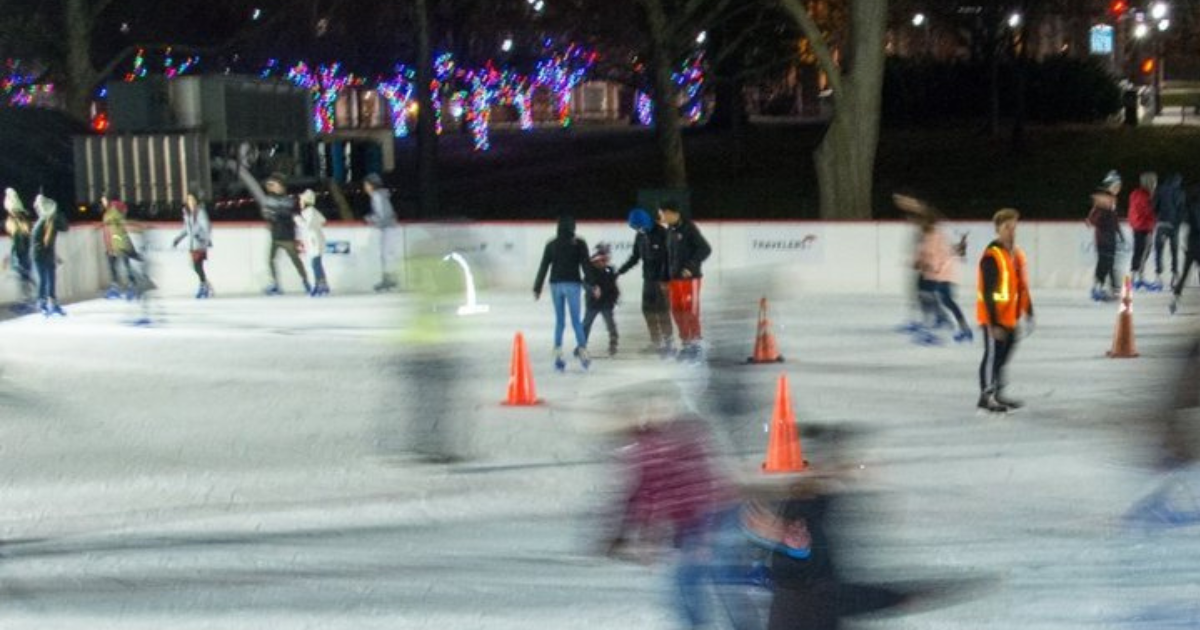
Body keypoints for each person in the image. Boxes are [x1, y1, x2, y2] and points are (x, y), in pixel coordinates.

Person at [602, 382, 731, 629]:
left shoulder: (679, 441)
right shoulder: (643, 446)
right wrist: (624, 533)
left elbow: (702, 488)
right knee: (685, 587)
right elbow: (639, 493)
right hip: (688, 524)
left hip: (707, 518)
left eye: (663, 409)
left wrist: (704, 537)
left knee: (694, 585)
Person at [976, 208, 1034, 413]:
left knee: (1002, 357)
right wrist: (993, 323)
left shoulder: (1016, 254)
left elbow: (1021, 286)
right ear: (998, 229)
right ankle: (986, 397)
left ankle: (998, 393)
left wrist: (1029, 311)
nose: (1011, 231)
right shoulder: (992, 256)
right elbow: (989, 291)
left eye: (1014, 227)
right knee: (992, 356)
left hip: (1010, 318)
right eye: (1006, 227)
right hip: (994, 318)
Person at [235, 167, 310, 295]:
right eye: (270, 185)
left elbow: (288, 214)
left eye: (274, 185)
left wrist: (275, 214)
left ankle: (307, 281)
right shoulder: (270, 200)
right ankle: (275, 284)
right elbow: (267, 214)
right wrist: (271, 215)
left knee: (295, 260)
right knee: (270, 260)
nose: (271, 188)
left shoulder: (288, 200)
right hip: (275, 235)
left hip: (287, 236)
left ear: (281, 186)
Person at [532, 214, 591, 371]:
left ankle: (558, 352)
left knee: (560, 321)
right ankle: (583, 351)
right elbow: (586, 266)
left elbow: (543, 266)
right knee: (576, 321)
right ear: (573, 227)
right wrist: (593, 285)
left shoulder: (551, 244)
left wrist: (537, 288)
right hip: (572, 284)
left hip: (556, 285)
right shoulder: (579, 243)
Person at [912, 202, 972, 344]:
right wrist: (918, 261)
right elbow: (924, 253)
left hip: (943, 273)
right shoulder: (928, 235)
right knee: (931, 298)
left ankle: (959, 329)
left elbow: (942, 254)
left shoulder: (937, 235)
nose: (919, 224)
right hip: (935, 272)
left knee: (943, 300)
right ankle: (938, 328)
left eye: (922, 221)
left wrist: (929, 265)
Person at [618, 207, 675, 356]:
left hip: (662, 280)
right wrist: (620, 271)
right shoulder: (640, 236)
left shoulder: (662, 233)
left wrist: (665, 279)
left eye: (638, 226)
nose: (637, 229)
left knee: (662, 311)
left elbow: (668, 259)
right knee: (647, 310)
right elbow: (635, 257)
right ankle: (656, 342)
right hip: (648, 280)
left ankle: (669, 343)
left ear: (644, 222)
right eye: (635, 228)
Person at [661, 201, 711, 361]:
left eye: (664, 213)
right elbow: (668, 257)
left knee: (690, 312)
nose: (662, 217)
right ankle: (686, 343)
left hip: (690, 279)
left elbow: (705, 249)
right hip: (674, 280)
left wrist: (690, 267)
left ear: (673, 213)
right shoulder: (669, 230)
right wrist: (665, 277)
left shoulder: (689, 228)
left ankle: (696, 344)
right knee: (677, 312)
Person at [1086, 170, 1124, 302]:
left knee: (1110, 263)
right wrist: (1100, 218)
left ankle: (1111, 289)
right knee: (1104, 263)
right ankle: (1097, 288)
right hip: (1103, 238)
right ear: (1110, 185)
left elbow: (1113, 219)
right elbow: (1092, 219)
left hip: (1110, 237)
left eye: (1119, 186)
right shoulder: (1104, 199)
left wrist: (1119, 232)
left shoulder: (1112, 200)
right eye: (1116, 186)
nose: (1118, 188)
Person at [101, 199, 146, 300]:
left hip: (119, 243)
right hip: (111, 244)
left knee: (126, 265)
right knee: (114, 266)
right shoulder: (108, 213)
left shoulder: (113, 211)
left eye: (104, 200)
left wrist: (113, 221)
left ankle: (132, 285)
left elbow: (120, 221)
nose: (102, 203)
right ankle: (116, 287)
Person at [172, 191, 213, 299]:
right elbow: (186, 228)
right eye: (188, 199)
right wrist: (178, 239)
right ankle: (205, 284)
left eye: (192, 199)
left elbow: (205, 226)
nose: (190, 201)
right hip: (192, 243)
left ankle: (204, 285)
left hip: (200, 242)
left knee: (197, 265)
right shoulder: (187, 213)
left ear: (195, 200)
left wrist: (203, 237)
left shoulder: (200, 212)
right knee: (196, 266)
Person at [31, 194, 66, 317]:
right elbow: (45, 242)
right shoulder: (42, 223)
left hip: (47, 254)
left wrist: (54, 256)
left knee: (51, 279)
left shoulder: (51, 221)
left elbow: (65, 227)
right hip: (39, 255)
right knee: (43, 279)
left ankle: (52, 302)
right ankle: (42, 303)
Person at [583, 242, 620, 356]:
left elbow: (613, 286)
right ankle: (581, 345)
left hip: (606, 302)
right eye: (601, 260)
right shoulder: (590, 271)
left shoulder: (610, 270)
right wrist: (593, 290)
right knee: (586, 324)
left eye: (605, 260)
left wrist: (615, 297)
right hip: (593, 303)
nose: (604, 262)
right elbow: (585, 284)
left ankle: (613, 343)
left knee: (610, 324)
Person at [363, 173, 398, 292]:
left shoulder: (377, 196)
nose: (365, 188)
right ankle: (388, 279)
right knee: (387, 254)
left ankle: (389, 279)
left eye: (366, 185)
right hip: (388, 227)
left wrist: (370, 219)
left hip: (387, 227)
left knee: (386, 254)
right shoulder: (381, 195)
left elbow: (382, 215)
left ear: (372, 185)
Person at [1168, 184, 1200, 315]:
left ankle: (1175, 299)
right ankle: (1175, 299)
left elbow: (1186, 226)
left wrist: (1184, 243)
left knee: (1185, 273)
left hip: (1191, 245)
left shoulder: (1189, 207)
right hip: (1197, 243)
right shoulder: (1195, 208)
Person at [3, 188, 35, 312]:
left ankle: (27, 301)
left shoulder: (16, 222)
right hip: (23, 253)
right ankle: (28, 300)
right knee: (24, 277)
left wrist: (15, 254)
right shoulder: (23, 220)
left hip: (22, 254)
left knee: (24, 277)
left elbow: (18, 240)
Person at [1152, 173, 1185, 291]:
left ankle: (1158, 276)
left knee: (1159, 251)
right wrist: (1177, 223)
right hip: (1173, 226)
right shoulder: (1180, 192)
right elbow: (1182, 210)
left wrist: (1159, 217)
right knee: (1174, 252)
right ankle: (1175, 275)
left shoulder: (1160, 190)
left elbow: (1154, 206)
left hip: (1161, 224)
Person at [296, 189, 330, 296]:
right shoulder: (312, 211)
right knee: (317, 263)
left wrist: (298, 220)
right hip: (316, 238)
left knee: (315, 263)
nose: (299, 202)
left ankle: (319, 285)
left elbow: (307, 226)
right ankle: (323, 284)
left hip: (314, 240)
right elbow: (323, 220)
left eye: (301, 200)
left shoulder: (309, 211)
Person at [1128, 172, 1158, 290]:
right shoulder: (1144, 196)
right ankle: (1136, 278)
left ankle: (1138, 277)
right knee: (1141, 252)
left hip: (1140, 226)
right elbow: (1148, 211)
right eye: (1154, 181)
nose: (1155, 184)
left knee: (1141, 252)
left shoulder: (1136, 194)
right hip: (1143, 227)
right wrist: (1156, 216)